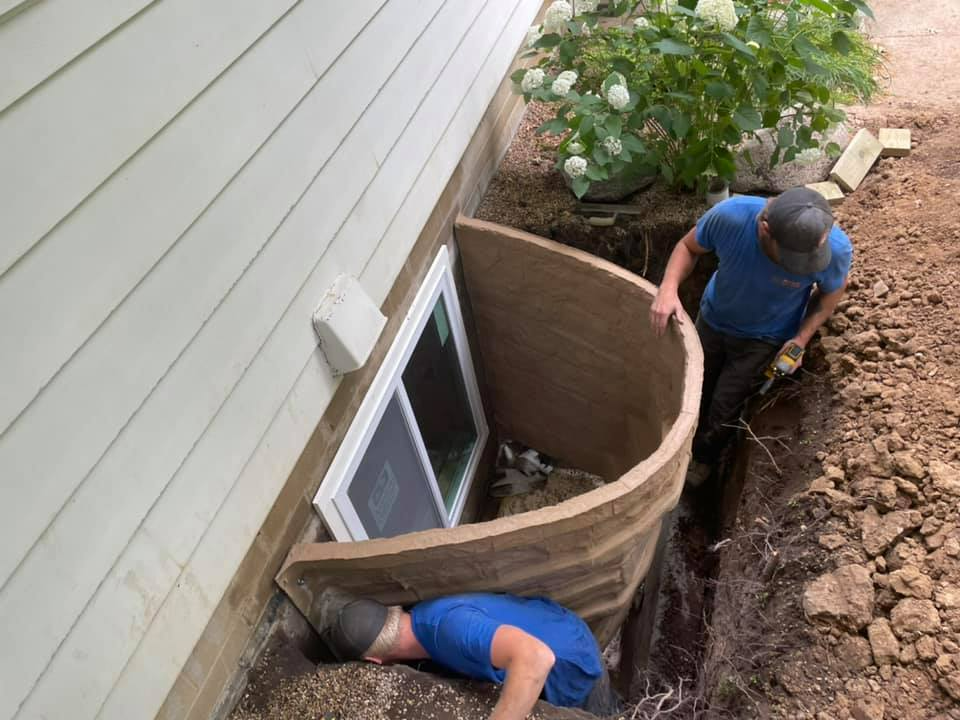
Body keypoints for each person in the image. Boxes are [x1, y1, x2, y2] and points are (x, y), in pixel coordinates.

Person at [650, 187, 852, 485]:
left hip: (763, 341)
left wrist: (801, 339)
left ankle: (702, 460)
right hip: (712, 320)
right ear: (764, 227)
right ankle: (671, 444)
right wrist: (668, 289)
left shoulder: (835, 250)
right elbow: (689, 247)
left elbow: (831, 292)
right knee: (690, 386)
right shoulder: (731, 217)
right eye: (791, 259)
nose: (799, 268)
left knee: (725, 406)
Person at [316, 588, 621, 719]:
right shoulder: (422, 617)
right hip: (558, 626)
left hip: (574, 663)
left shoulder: (449, 630)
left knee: (601, 712)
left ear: (374, 662)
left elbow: (536, 658)